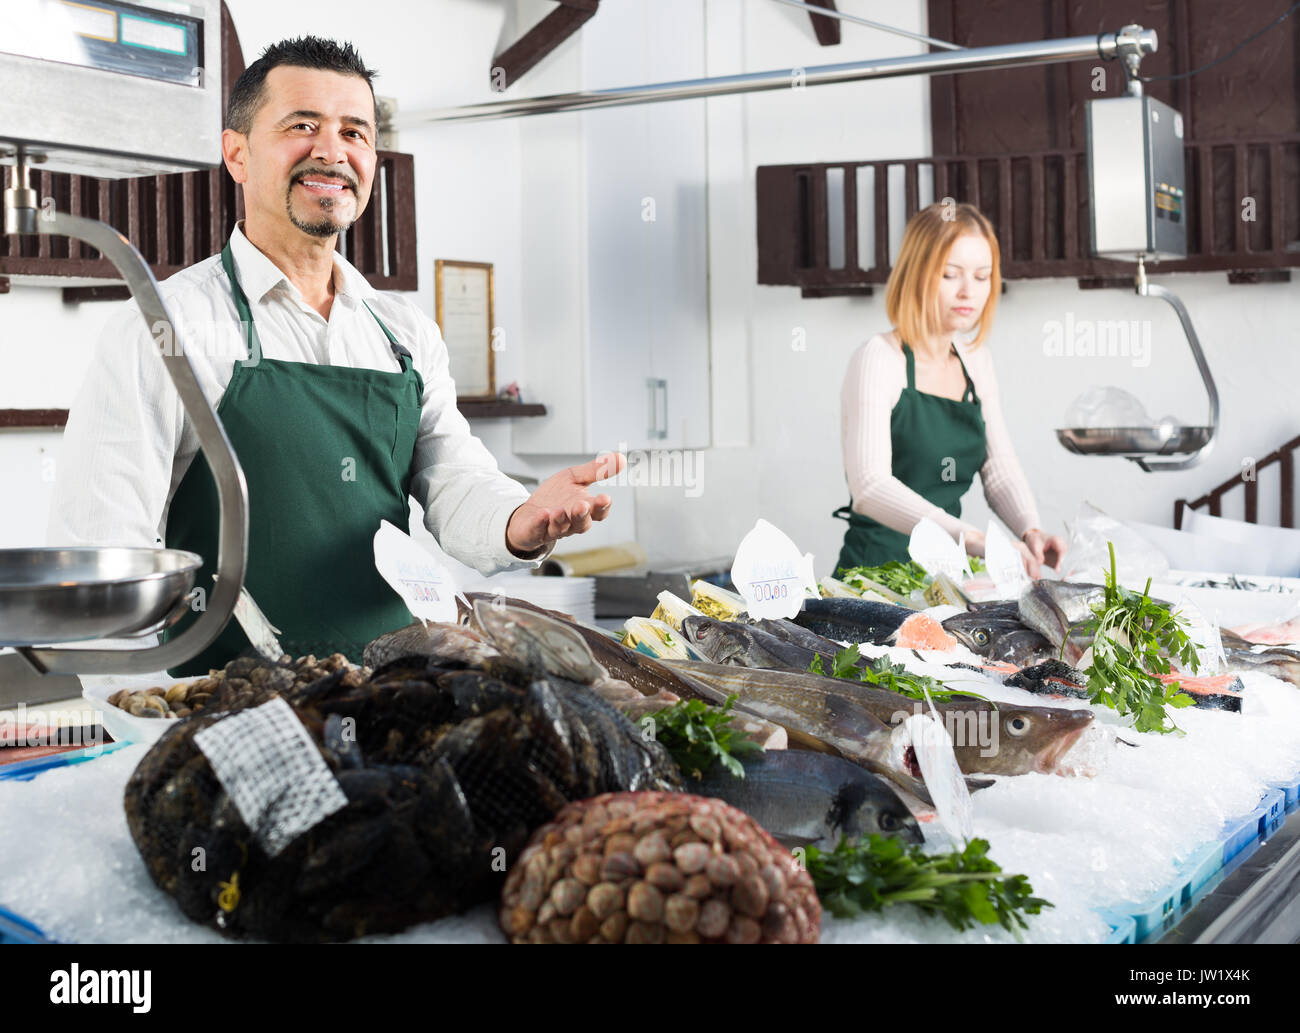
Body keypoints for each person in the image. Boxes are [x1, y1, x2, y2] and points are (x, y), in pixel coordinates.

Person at [49, 37, 621, 674]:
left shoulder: (403, 332)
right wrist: (128, 729)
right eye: (302, 126)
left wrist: (522, 518)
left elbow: (454, 482)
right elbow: (105, 553)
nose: (332, 150)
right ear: (236, 154)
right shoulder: (166, 327)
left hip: (386, 698)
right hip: (227, 707)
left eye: (355, 131)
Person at [834, 201, 1065, 578]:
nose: (967, 292)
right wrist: (972, 539)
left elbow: (998, 466)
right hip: (873, 578)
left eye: (981, 276)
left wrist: (1030, 528)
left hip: (945, 577)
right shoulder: (879, 359)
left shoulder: (976, 360)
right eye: (950, 274)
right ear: (916, 274)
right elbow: (870, 487)